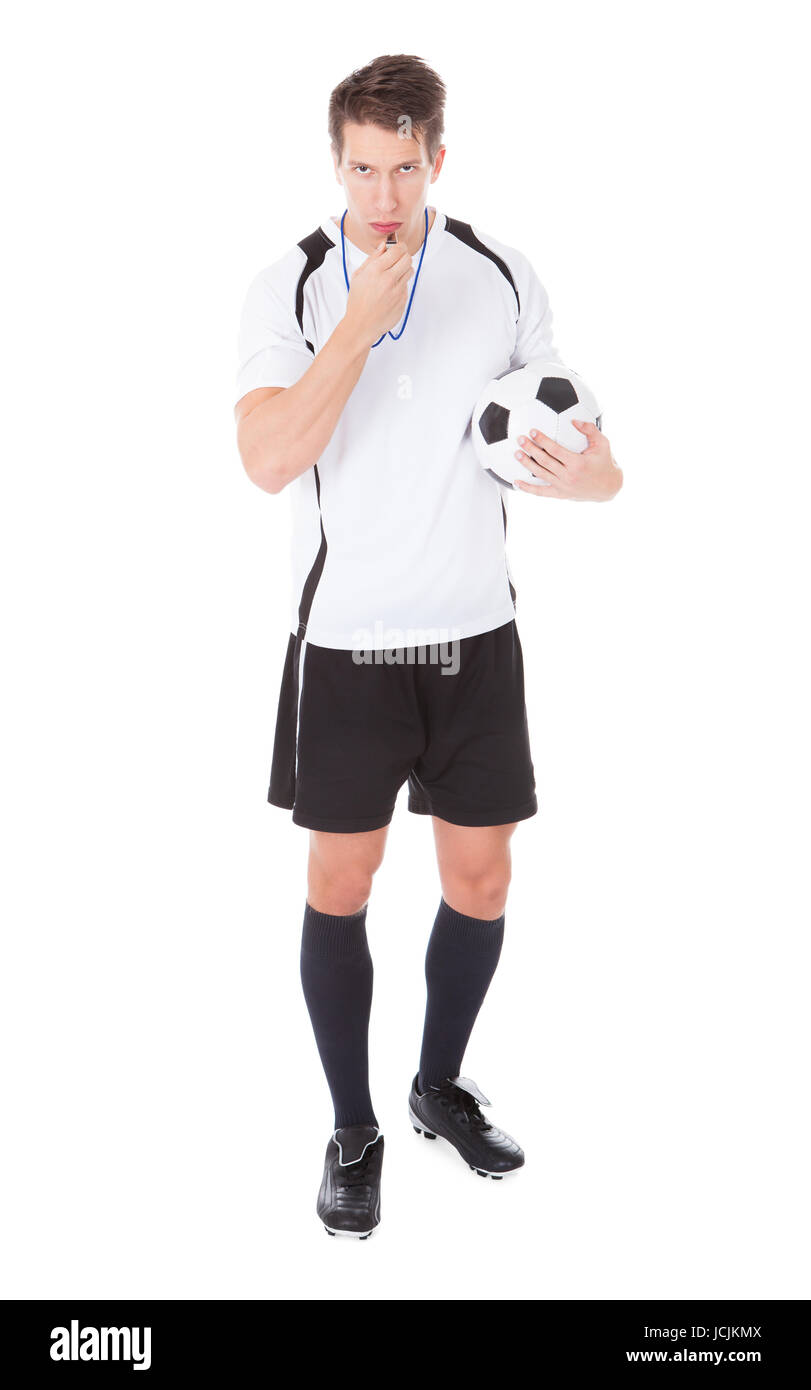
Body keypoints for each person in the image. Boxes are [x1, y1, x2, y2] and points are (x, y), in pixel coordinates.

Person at [234, 54, 623, 1240]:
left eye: (406, 166)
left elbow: (582, 448)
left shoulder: (500, 275)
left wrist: (593, 474)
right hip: (348, 647)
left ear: (436, 158)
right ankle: (351, 1125)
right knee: (341, 887)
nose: (385, 192)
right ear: (336, 161)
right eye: (362, 167)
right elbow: (266, 459)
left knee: (481, 879)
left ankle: (436, 1084)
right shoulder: (290, 286)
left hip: (475, 640)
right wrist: (355, 323)